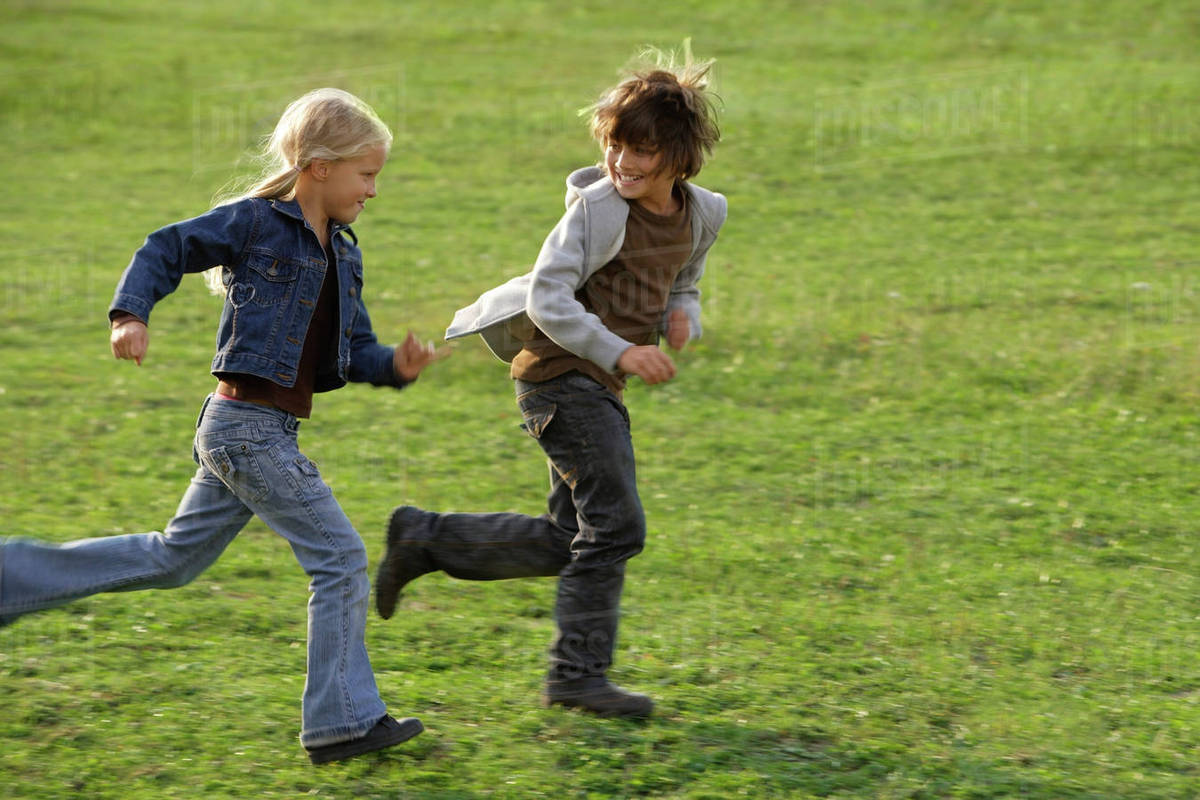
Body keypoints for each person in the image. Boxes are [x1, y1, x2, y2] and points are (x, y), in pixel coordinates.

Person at [0, 88, 442, 764]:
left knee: (174, 559)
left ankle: (11, 577)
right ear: (318, 167)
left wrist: (396, 365)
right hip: (246, 430)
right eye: (367, 173)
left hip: (255, 432)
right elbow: (164, 248)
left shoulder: (344, 253)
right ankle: (343, 722)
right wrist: (130, 313)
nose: (374, 190)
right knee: (343, 558)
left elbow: (351, 352)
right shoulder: (255, 223)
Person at [374, 48, 726, 718]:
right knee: (617, 527)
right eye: (616, 145)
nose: (622, 162)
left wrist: (683, 317)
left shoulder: (705, 212)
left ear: (679, 155)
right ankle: (576, 677)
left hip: (600, 383)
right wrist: (623, 351)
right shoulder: (594, 212)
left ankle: (423, 538)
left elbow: (686, 280)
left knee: (569, 538)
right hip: (559, 377)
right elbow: (548, 299)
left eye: (641, 151)